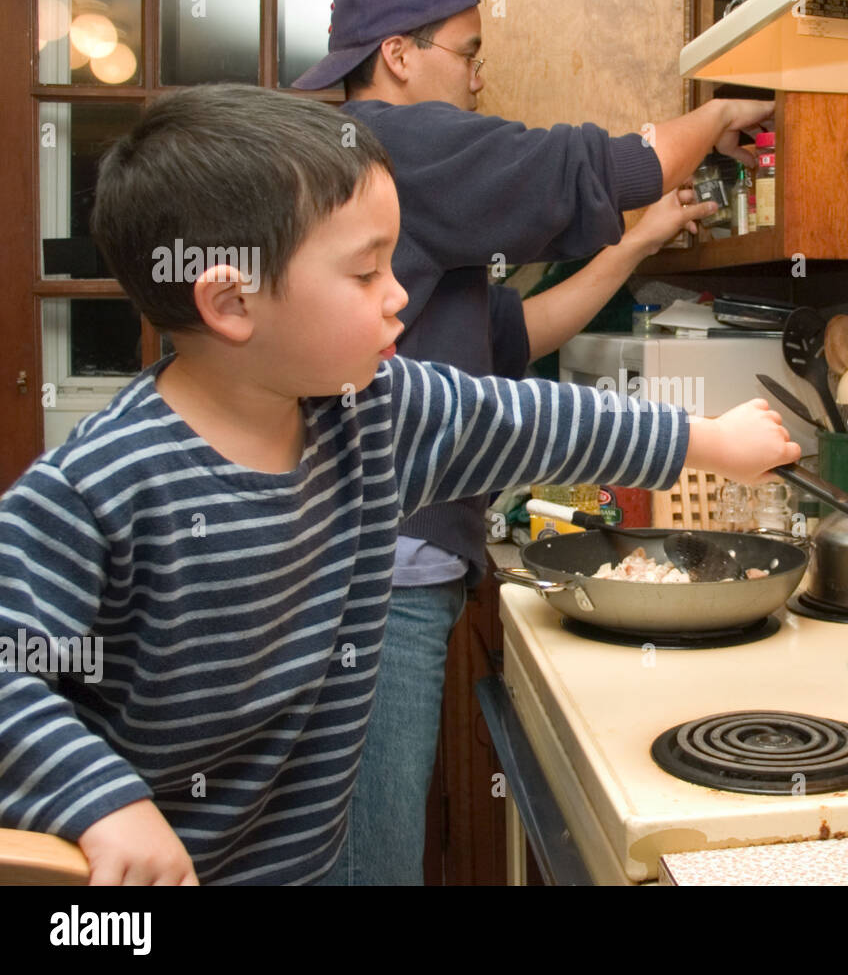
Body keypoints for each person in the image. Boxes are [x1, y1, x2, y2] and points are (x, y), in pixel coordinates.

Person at [0, 84, 798, 885]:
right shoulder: (101, 486)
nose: (400, 296)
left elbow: (530, 419)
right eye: (365, 271)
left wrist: (709, 442)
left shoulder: (370, 411)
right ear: (231, 301)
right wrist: (101, 801)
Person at [291, 0, 775, 884]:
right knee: (373, 863)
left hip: (374, 562)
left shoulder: (367, 162)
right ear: (398, 55)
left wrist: (635, 244)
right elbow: (603, 165)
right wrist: (717, 113)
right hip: (379, 576)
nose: (479, 75)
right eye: (469, 51)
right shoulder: (403, 141)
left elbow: (511, 334)